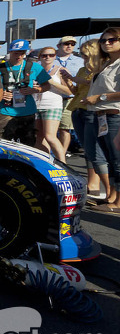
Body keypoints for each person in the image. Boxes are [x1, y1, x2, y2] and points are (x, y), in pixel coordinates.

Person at [63, 40, 111, 200]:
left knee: (96, 152)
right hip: (78, 108)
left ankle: (108, 190)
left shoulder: (103, 68)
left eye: (84, 52)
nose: (81, 55)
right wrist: (69, 80)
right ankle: (94, 184)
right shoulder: (84, 69)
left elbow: (98, 85)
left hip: (93, 112)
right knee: (88, 150)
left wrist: (79, 80)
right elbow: (77, 91)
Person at [81, 27, 120, 213]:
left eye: (112, 39)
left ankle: (118, 202)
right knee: (110, 159)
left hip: (114, 115)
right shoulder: (106, 64)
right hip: (100, 115)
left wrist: (100, 98)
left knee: (117, 159)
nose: (106, 43)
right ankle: (112, 196)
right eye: (103, 40)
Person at [0, 39, 52, 146]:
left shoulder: (35, 67)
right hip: (4, 112)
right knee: (1, 143)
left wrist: (35, 90)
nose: (19, 56)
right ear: (10, 52)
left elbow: (47, 85)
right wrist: (0, 94)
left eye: (22, 53)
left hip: (27, 112)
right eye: (16, 53)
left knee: (28, 144)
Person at [32, 47, 71, 161]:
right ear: (39, 57)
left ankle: (63, 164)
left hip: (52, 105)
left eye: (51, 55)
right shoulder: (35, 70)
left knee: (50, 136)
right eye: (44, 55)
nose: (48, 57)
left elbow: (69, 91)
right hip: (36, 105)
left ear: (55, 56)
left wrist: (51, 82)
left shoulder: (61, 70)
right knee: (39, 137)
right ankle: (45, 162)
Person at [55, 36, 84, 154]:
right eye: (66, 44)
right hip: (53, 98)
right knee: (50, 130)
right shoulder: (51, 59)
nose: (69, 46)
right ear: (59, 46)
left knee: (65, 128)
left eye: (72, 44)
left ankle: (62, 154)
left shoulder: (80, 61)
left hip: (70, 98)